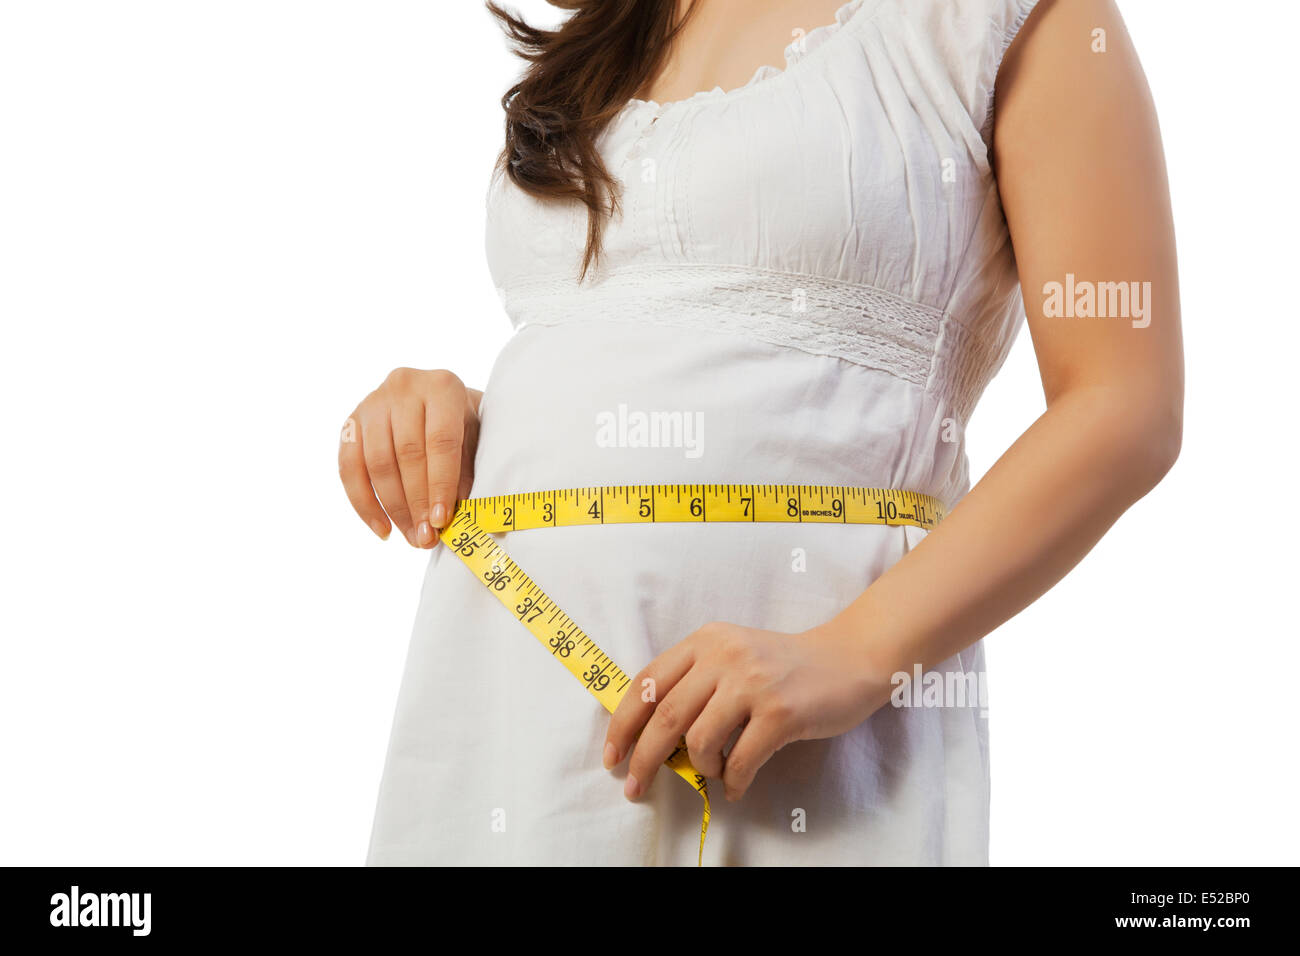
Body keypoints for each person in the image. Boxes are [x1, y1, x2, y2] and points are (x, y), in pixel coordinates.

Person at [344, 0, 1183, 865]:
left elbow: (1123, 405)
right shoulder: (609, 34)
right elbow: (627, 344)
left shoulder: (1000, 18)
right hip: (506, 694)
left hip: (794, 734)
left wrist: (857, 652)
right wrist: (467, 420)